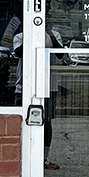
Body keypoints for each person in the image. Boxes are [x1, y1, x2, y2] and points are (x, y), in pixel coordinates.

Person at [13, 23, 63, 169]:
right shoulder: (20, 36)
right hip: (24, 86)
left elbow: (60, 54)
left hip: (48, 86)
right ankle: (20, 157)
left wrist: (50, 34)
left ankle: (44, 158)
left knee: (46, 122)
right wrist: (31, 33)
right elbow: (19, 53)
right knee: (20, 122)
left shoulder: (54, 35)